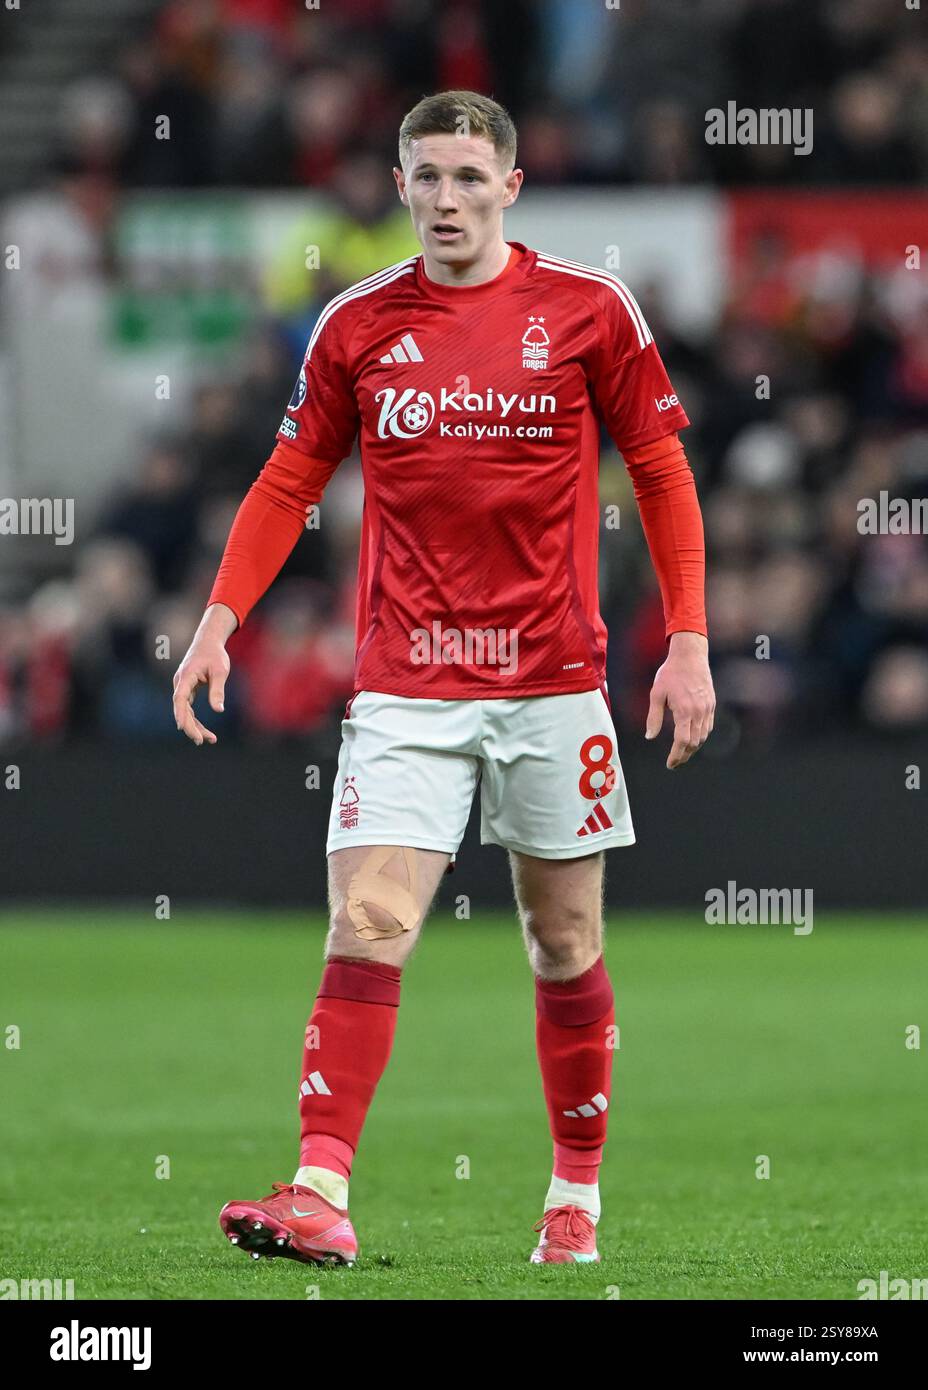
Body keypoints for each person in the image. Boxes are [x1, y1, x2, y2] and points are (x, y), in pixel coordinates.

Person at [172, 89, 715, 1267]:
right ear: (401, 184)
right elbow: (284, 482)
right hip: (405, 685)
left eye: (471, 177)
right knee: (367, 918)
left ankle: (574, 1194)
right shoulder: (357, 324)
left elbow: (663, 472)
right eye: (428, 176)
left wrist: (687, 640)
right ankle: (321, 1188)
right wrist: (218, 621)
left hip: (555, 679)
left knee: (561, 940)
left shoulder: (586, 310)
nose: (448, 198)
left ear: (510, 187)